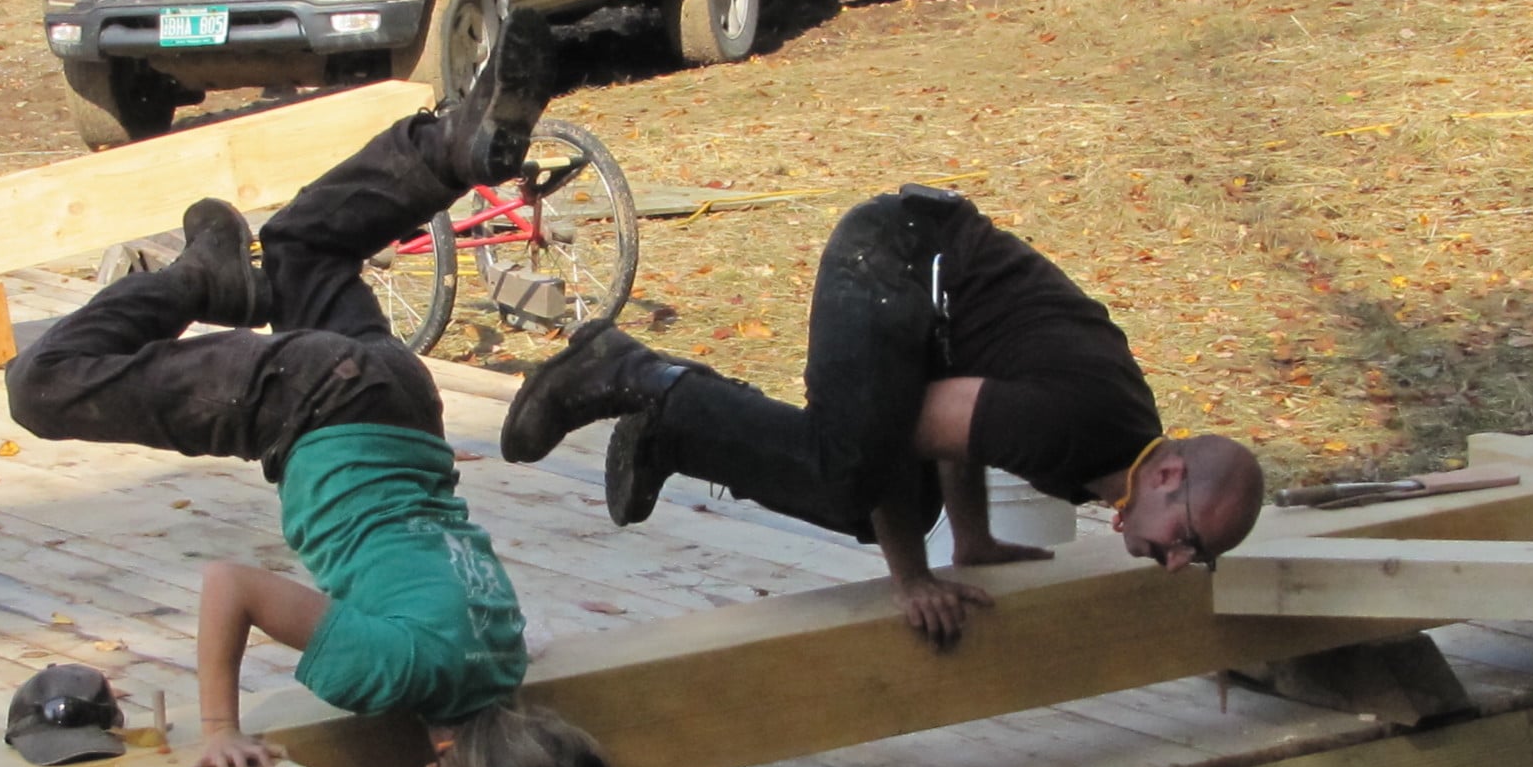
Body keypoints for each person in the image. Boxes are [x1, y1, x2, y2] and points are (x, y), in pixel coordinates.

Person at [5, 13, 642, 767]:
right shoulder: (389, 674)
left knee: (303, 247)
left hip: (404, 403)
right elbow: (232, 585)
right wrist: (220, 729)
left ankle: (454, 148)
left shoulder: (499, 660)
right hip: (314, 404)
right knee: (44, 385)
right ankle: (199, 278)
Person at [501, 183, 1264, 645]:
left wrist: (972, 538)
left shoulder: (1115, 450)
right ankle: (640, 380)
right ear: (1169, 474)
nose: (1172, 564)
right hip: (888, 260)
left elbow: (968, 407)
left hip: (920, 276)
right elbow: (914, 426)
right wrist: (912, 578)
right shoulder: (1086, 431)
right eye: (1184, 543)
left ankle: (670, 417)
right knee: (852, 477)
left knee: (888, 482)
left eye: (1191, 559)